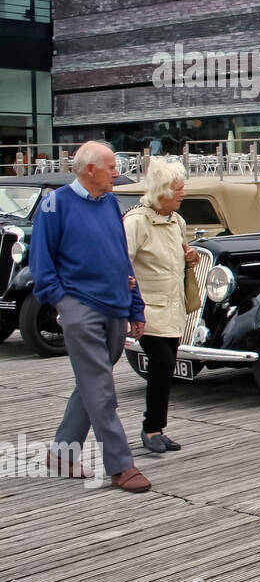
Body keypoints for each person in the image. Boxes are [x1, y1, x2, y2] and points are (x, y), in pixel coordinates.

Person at [30, 141, 150, 492]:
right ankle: (121, 465)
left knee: (91, 382)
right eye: (112, 167)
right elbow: (41, 263)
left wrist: (135, 305)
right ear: (90, 170)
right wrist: (62, 303)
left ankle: (62, 453)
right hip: (79, 307)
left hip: (115, 305)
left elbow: (121, 259)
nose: (118, 173)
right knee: (101, 386)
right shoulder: (55, 206)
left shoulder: (110, 203)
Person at [124, 160, 198, 454]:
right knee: (163, 365)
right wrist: (130, 308)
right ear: (162, 192)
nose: (182, 193)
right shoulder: (136, 222)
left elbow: (177, 257)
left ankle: (157, 427)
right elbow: (122, 264)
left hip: (172, 308)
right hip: (149, 310)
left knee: (165, 370)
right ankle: (150, 428)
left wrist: (189, 257)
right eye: (178, 189)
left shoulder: (176, 221)